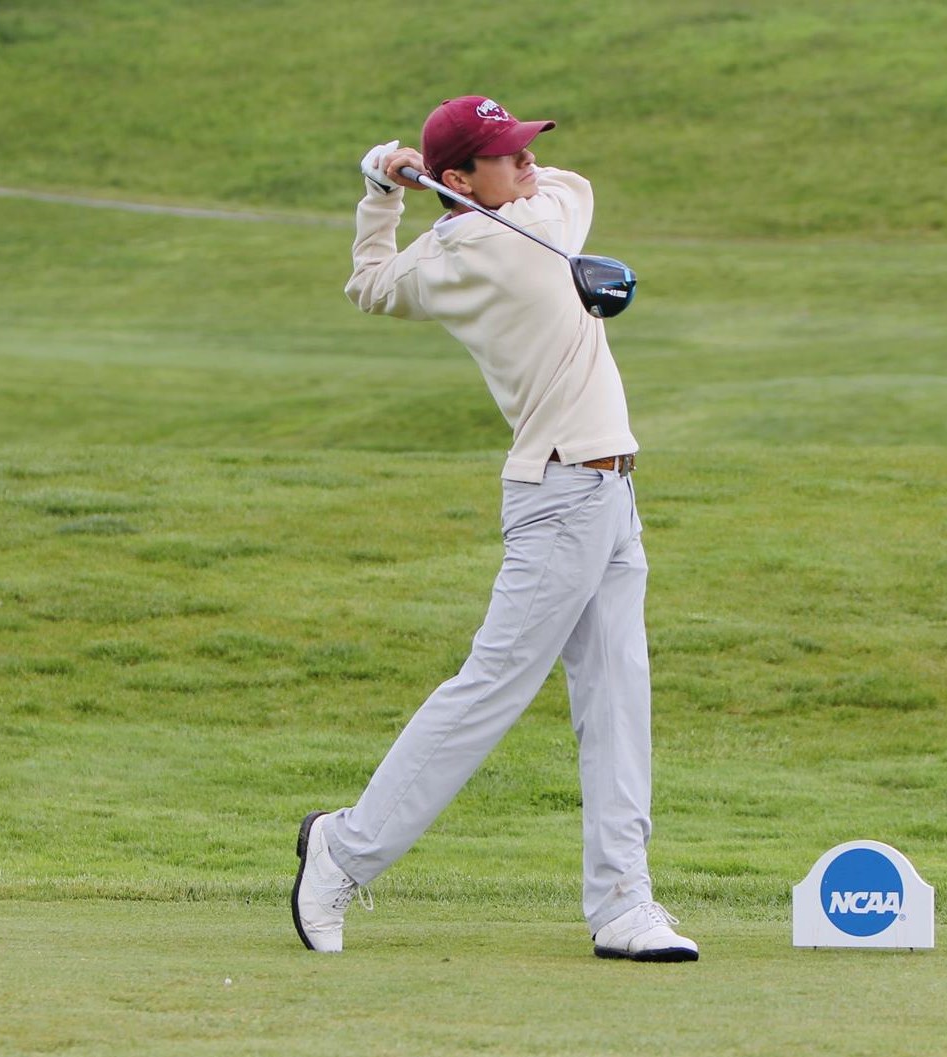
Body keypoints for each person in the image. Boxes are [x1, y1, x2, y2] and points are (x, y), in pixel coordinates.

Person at [290, 96, 698, 962]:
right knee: (490, 689)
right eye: (503, 155)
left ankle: (624, 903)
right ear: (460, 181)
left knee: (618, 698)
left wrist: (379, 189)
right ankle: (343, 849)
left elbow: (368, 283)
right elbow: (570, 186)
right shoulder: (533, 228)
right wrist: (410, 185)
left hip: (606, 489)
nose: (525, 165)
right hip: (562, 496)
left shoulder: (448, 254)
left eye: (522, 150)